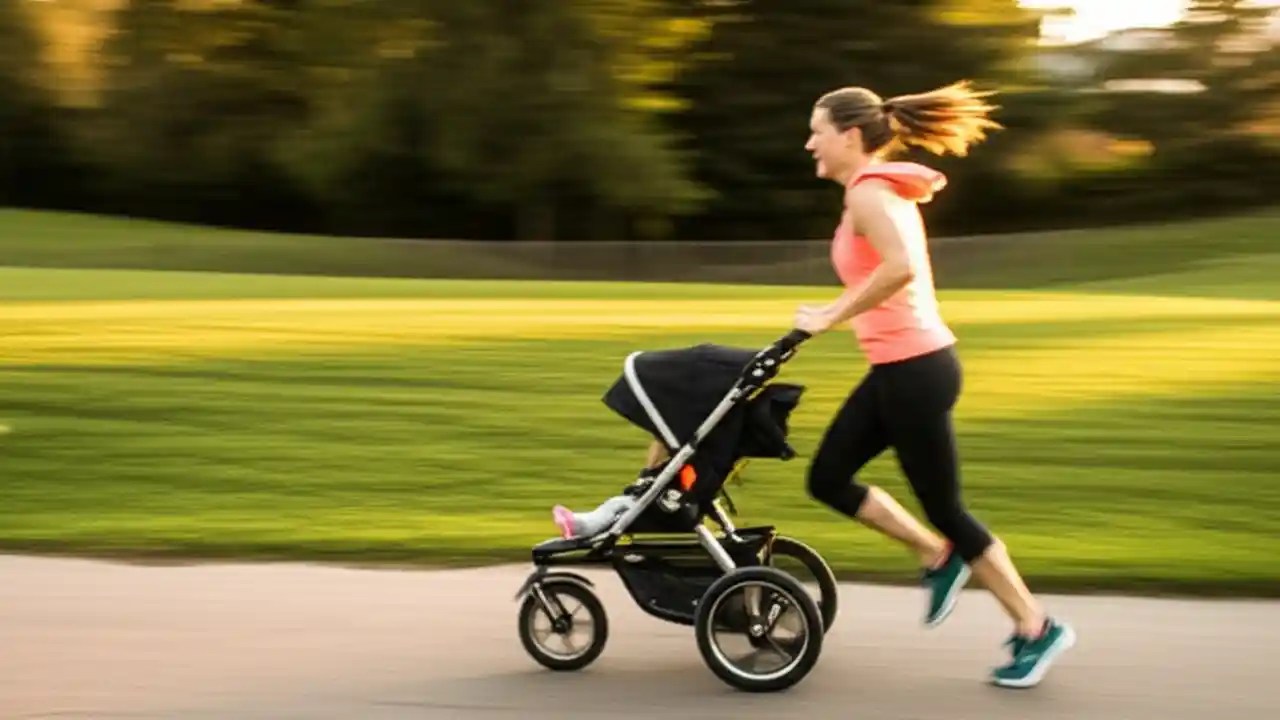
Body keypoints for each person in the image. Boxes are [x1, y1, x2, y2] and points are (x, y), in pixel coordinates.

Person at [792, 80, 1075, 688]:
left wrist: (828, 317)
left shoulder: (870, 194)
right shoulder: (871, 192)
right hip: (900, 367)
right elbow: (888, 271)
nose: (810, 141)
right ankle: (935, 556)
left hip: (915, 370)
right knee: (828, 477)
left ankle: (1035, 625)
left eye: (817, 130)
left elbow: (901, 269)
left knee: (948, 508)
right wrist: (837, 313)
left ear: (848, 136)